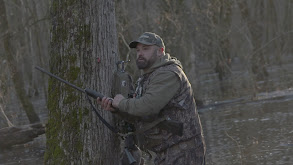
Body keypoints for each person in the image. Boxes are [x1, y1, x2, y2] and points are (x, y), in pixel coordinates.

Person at [98, 32, 206, 165]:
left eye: (146, 49)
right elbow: (141, 116)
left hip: (184, 153)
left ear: (160, 51)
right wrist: (115, 109)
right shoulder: (147, 78)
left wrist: (122, 103)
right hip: (164, 154)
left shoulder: (169, 74)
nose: (140, 53)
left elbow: (148, 106)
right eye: (138, 50)